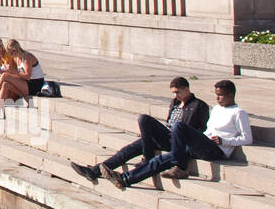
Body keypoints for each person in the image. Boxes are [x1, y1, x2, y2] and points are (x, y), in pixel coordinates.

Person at [99, 81, 251, 189]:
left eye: (221, 95)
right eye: (216, 95)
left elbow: (247, 138)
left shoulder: (239, 113)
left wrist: (225, 140)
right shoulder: (217, 109)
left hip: (218, 150)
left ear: (231, 95)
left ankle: (181, 166)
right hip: (204, 143)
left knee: (179, 127)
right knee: (161, 159)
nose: (218, 98)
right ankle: (125, 180)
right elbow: (208, 130)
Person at [69, 77, 209, 183]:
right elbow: (168, 121)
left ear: (186, 89)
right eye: (173, 93)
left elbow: (200, 130)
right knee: (129, 148)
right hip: (166, 136)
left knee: (145, 122)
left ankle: (148, 158)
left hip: (179, 141)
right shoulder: (175, 102)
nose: (175, 96)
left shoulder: (199, 105)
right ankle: (94, 171)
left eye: (178, 92)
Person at [0, 39, 46, 117]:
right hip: (27, 84)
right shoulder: (17, 58)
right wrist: (11, 71)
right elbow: (19, 75)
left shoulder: (27, 57)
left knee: (5, 76)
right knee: (6, 84)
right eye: (8, 52)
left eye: (10, 52)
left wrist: (13, 72)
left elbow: (27, 76)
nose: (9, 55)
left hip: (35, 85)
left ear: (16, 50)